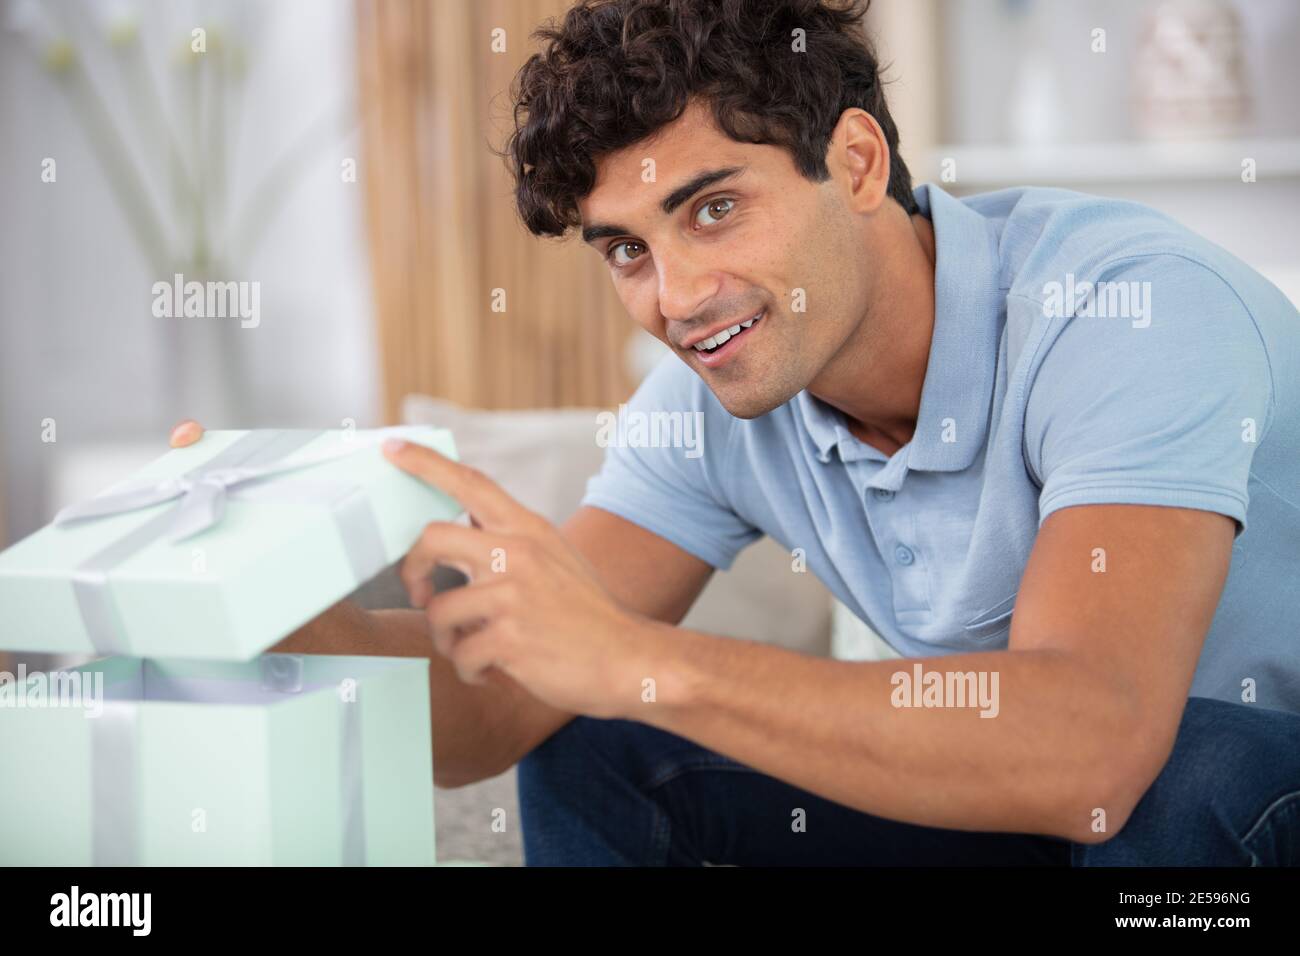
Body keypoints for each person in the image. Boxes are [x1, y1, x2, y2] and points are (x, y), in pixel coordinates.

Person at [172, 0, 1299, 865]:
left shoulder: (1123, 308)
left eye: (713, 208)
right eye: (626, 250)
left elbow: (1092, 746)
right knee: (592, 739)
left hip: (1225, 801)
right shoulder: (715, 393)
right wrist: (281, 611)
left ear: (855, 162)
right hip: (1034, 810)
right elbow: (492, 715)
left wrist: (642, 659)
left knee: (1200, 766)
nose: (677, 295)